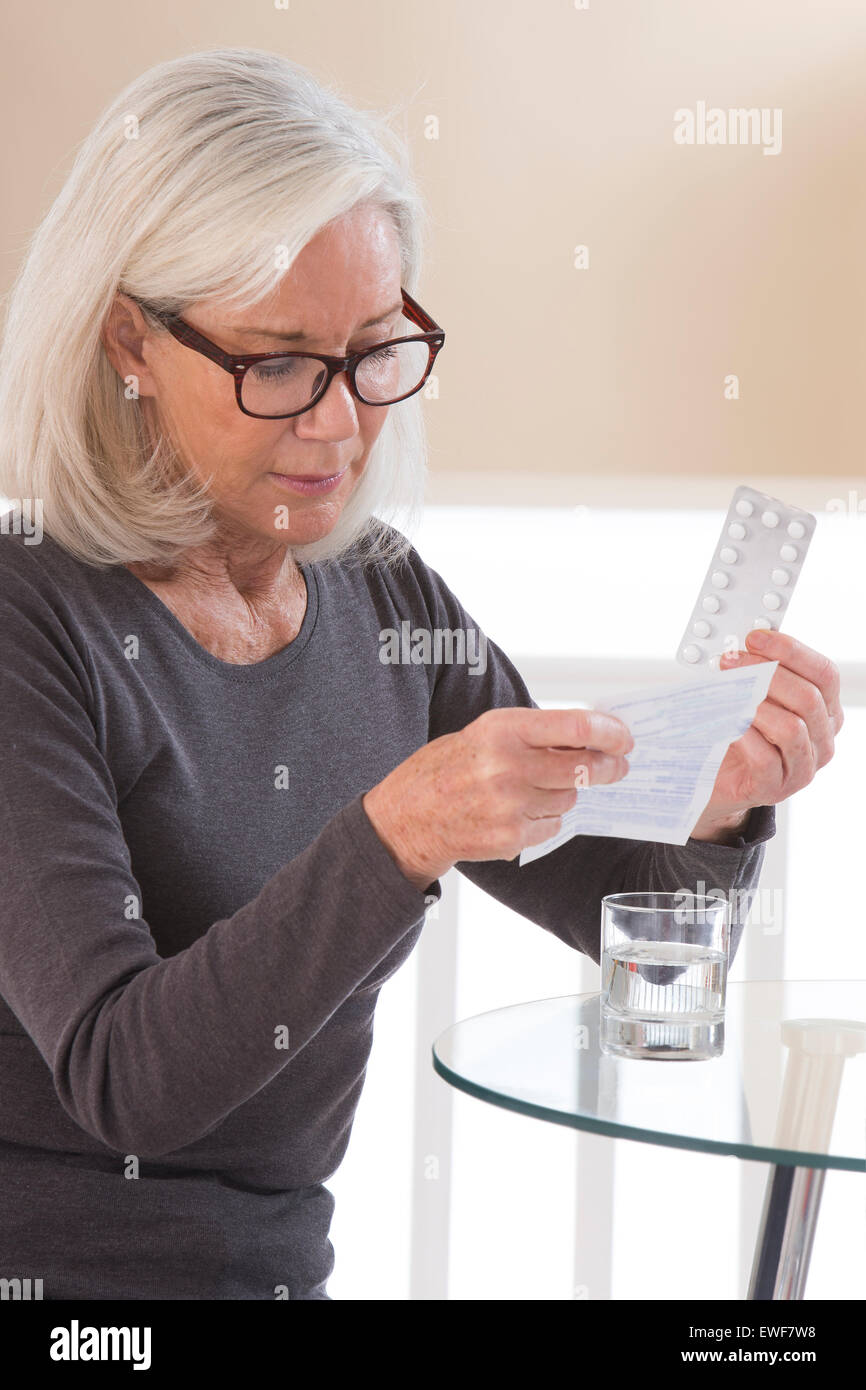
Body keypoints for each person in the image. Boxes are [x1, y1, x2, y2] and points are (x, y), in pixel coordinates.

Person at [0, 48, 842, 1300]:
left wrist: (715, 802)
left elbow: (646, 946)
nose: (338, 421)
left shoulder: (383, 600)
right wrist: (399, 833)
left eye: (373, 352)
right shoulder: (30, 623)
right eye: (277, 363)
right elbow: (126, 1080)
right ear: (132, 339)